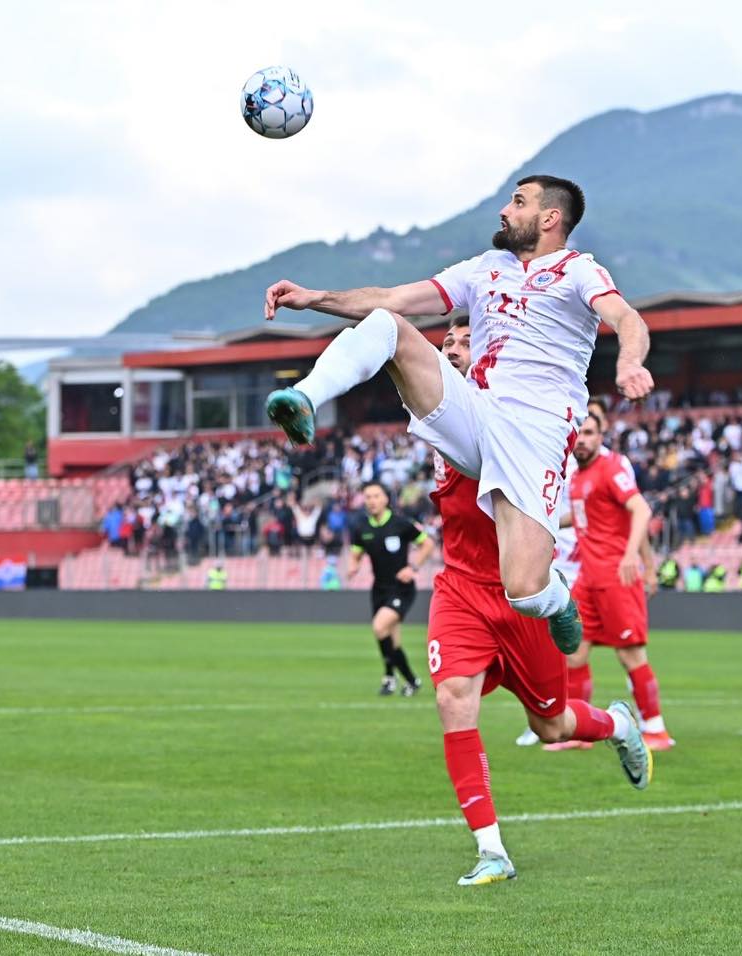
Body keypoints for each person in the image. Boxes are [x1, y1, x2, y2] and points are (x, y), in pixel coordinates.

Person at [263, 175, 653, 657]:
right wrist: (314, 298)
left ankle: (557, 601)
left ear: (550, 218)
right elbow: (393, 299)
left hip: (535, 435)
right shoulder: (486, 269)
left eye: (518, 202)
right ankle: (305, 398)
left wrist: (630, 361)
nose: (504, 211)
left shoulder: (579, 271)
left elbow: (627, 318)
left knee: (525, 593)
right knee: (388, 325)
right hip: (477, 411)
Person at [423, 319, 649, 886]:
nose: (450, 350)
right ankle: (491, 850)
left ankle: (619, 725)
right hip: (460, 589)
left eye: (462, 342)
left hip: (525, 595)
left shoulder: (521, 411)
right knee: (453, 698)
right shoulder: (439, 415)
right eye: (444, 344)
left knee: (553, 726)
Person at [551, 413, 674, 751]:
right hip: (588, 578)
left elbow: (641, 510)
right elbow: (577, 518)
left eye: (591, 433)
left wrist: (635, 557)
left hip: (617, 576)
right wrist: (541, 523)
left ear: (601, 435)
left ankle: (656, 729)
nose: (584, 440)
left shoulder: (612, 467)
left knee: (631, 655)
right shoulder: (577, 478)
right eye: (580, 434)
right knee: (574, 652)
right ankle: (578, 733)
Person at [348, 481, 435, 696]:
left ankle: (399, 678)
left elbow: (428, 544)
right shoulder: (362, 528)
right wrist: (353, 566)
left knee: (379, 627)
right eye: (367, 497)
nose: (372, 501)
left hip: (401, 588)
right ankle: (402, 679)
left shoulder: (400, 523)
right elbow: (355, 553)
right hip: (379, 589)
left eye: (376, 496)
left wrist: (412, 567)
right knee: (390, 638)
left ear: (386, 498)